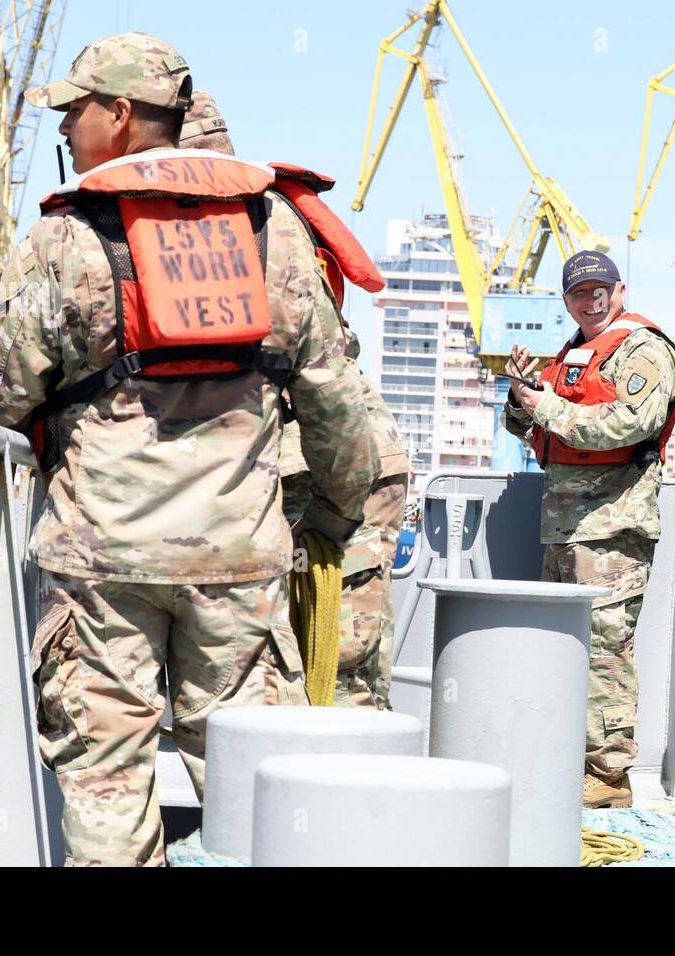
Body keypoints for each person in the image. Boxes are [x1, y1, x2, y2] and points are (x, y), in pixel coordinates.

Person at [0, 34, 378, 865]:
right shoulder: (275, 231)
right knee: (257, 785)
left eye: (74, 111)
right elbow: (335, 401)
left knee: (106, 782)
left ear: (117, 115)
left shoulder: (70, 236)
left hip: (102, 567)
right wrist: (327, 516)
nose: (67, 130)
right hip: (239, 558)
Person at [179, 90, 411, 709]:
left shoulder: (255, 227)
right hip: (310, 458)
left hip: (333, 461)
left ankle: (345, 798)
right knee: (296, 660)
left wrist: (336, 508)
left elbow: (323, 381)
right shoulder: (243, 220)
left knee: (339, 662)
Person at [502, 250, 675, 809]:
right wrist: (521, 395)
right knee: (562, 650)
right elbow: (527, 425)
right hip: (563, 529)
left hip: (612, 532)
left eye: (600, 290)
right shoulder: (573, 353)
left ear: (620, 291)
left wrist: (547, 405)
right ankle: (564, 767)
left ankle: (606, 784)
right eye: (580, 292)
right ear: (566, 300)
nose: (591, 299)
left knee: (604, 652)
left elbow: (631, 422)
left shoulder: (644, 349)